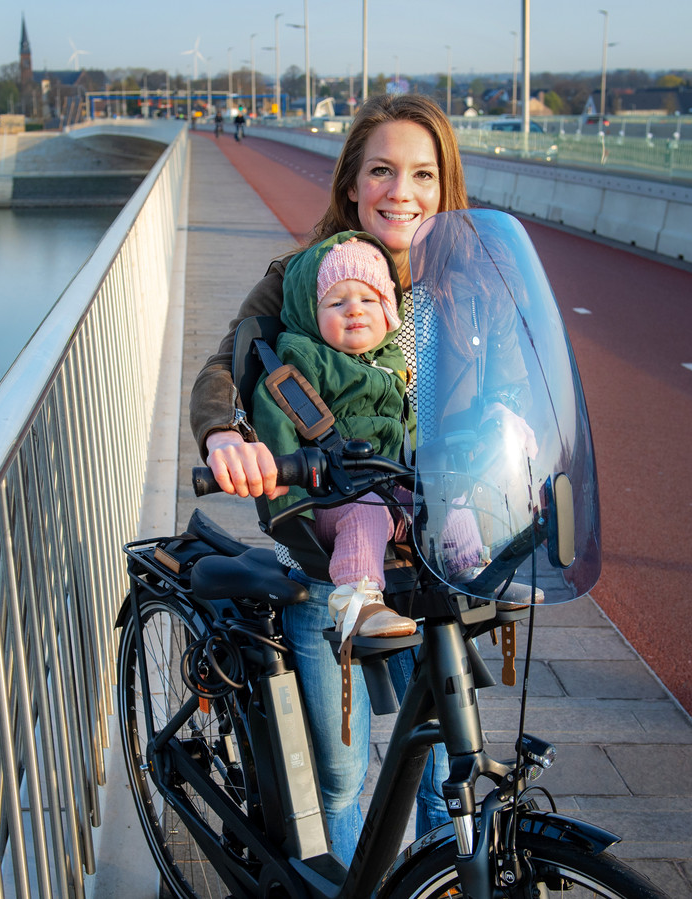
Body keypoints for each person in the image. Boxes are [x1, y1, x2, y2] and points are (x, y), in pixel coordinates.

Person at [189, 92, 470, 863]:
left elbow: (502, 395)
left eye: (422, 174)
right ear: (351, 182)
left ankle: (441, 879)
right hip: (323, 552)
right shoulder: (305, 276)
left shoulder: (457, 293)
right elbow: (225, 366)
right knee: (341, 774)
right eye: (382, 170)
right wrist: (225, 435)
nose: (401, 192)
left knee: (451, 757)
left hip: (427, 559)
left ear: (444, 190)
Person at [251, 233, 418, 650]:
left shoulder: (390, 361)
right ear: (311, 312)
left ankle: (471, 568)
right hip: (325, 501)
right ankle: (356, 602)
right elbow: (275, 419)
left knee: (443, 499)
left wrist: (425, 474)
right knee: (368, 511)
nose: (354, 310)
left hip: (382, 485)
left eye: (368, 299)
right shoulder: (307, 357)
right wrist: (286, 504)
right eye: (336, 302)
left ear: (388, 310)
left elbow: (405, 423)